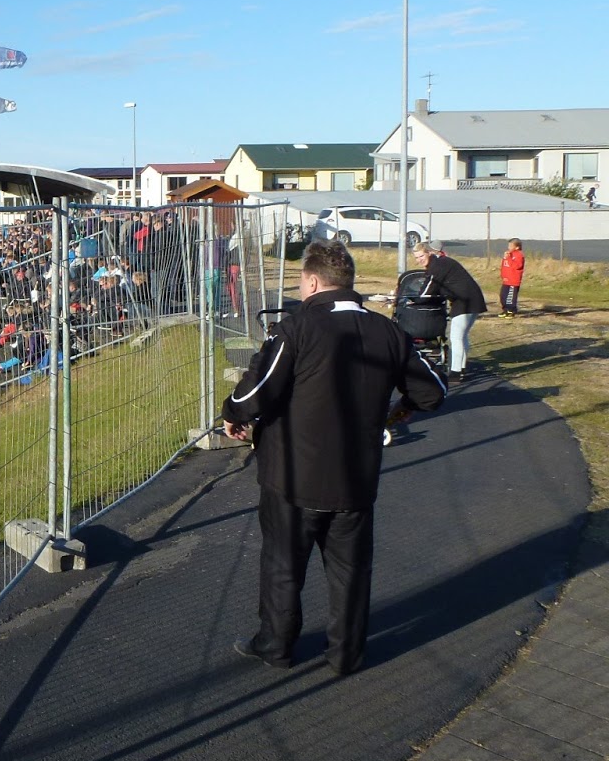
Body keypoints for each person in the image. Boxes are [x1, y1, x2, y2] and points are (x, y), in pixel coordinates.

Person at [222, 241, 445, 675]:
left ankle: (276, 645)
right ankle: (346, 654)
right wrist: (404, 407)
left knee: (283, 564)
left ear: (311, 281)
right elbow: (432, 390)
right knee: (350, 570)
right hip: (355, 478)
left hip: (293, 475)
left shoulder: (297, 328)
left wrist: (233, 414)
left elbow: (256, 391)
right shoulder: (388, 332)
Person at [411, 240, 487, 382]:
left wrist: (414, 301)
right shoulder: (440, 262)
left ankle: (455, 373)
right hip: (472, 299)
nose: (419, 260)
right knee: (462, 336)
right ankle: (461, 368)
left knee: (456, 337)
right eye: (416, 257)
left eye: (421, 256)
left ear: (429, 253)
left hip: (465, 301)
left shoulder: (436, 266)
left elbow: (428, 289)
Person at [499, 238, 525, 319]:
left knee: (510, 297)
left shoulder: (519, 255)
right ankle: (506, 310)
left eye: (511, 246)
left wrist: (509, 258)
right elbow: (504, 266)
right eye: (508, 245)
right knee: (503, 296)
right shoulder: (508, 254)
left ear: (517, 247)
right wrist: (503, 276)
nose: (509, 247)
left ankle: (511, 311)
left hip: (513, 280)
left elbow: (517, 266)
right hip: (506, 280)